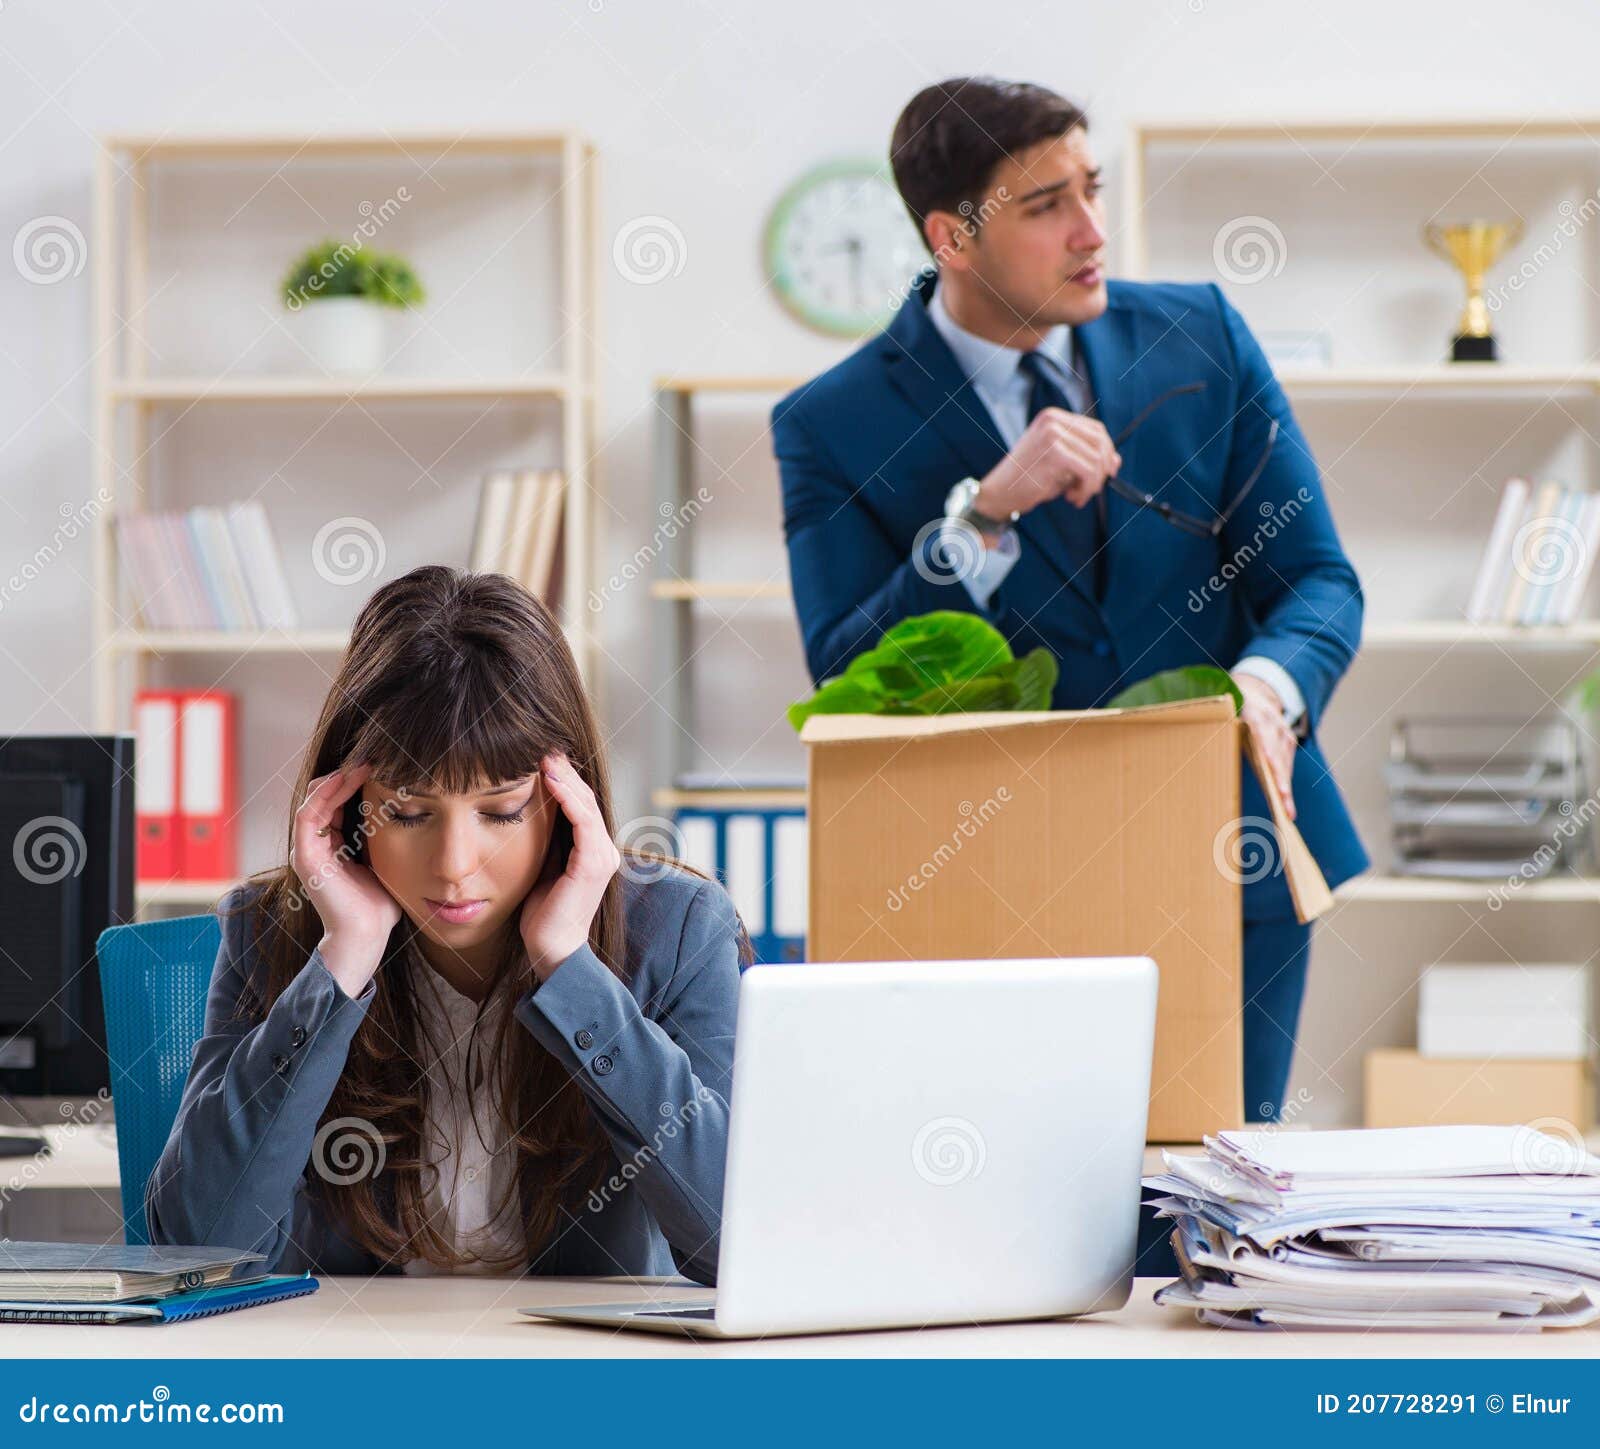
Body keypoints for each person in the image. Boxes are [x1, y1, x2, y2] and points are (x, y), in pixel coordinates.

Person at [774, 77, 1370, 1125]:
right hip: (995, 872)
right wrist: (984, 518)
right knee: (1019, 1223)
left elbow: (1316, 579)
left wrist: (1263, 692)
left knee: (1207, 1200)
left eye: (1091, 191)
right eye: (1046, 206)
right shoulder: (830, 422)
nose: (1092, 231)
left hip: (1232, 853)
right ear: (950, 238)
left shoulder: (1202, 336)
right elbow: (844, 672)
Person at [147, 565, 747, 1284]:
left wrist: (571, 968)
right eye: (406, 812)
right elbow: (201, 1248)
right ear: (346, 804)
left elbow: (735, 1244)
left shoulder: (678, 931)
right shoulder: (270, 931)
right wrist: (342, 962)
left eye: (500, 811)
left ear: (565, 800)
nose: (455, 865)